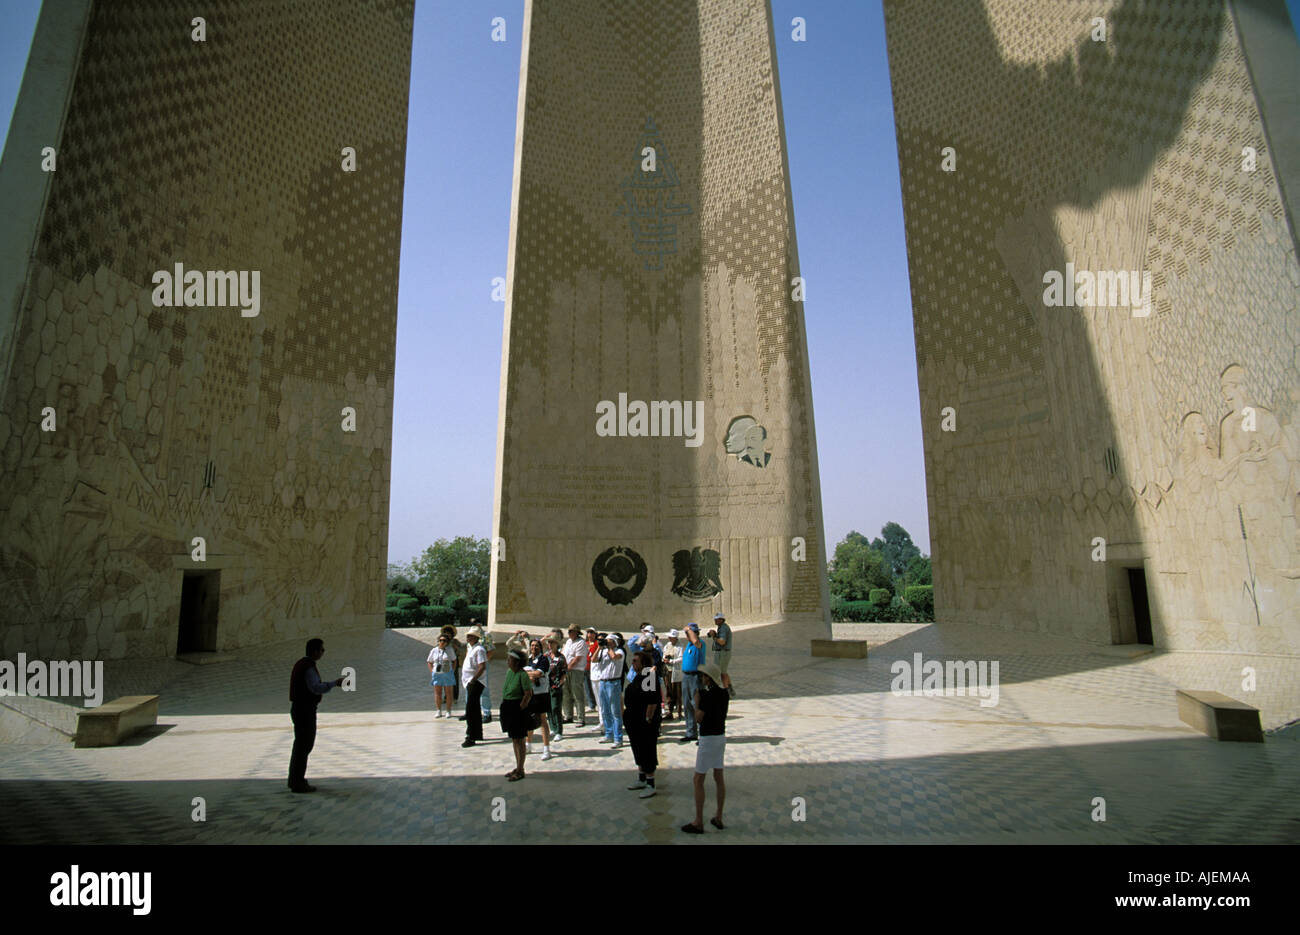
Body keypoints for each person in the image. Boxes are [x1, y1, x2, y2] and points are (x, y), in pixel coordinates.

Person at [288, 637, 345, 793]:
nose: (323, 652)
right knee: (304, 745)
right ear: (315, 651)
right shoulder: (308, 667)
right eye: (322, 650)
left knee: (301, 745)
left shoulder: (302, 664)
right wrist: (335, 683)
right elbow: (315, 687)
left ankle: (295, 780)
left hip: (300, 709)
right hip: (304, 710)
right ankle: (297, 781)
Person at [681, 663, 729, 833]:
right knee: (718, 777)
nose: (702, 678)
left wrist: (697, 703)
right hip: (720, 737)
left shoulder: (705, 696)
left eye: (704, 675)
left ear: (710, 678)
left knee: (698, 779)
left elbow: (699, 719)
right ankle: (719, 816)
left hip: (708, 739)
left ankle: (698, 821)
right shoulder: (724, 694)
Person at [623, 650, 662, 798]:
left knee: (647, 750)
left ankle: (650, 783)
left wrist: (648, 719)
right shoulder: (639, 676)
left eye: (635, 661)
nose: (632, 663)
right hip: (633, 720)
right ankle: (642, 778)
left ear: (643, 663)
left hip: (644, 722)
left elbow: (652, 701)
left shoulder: (649, 676)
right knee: (638, 748)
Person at [500, 649, 535, 781]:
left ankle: (521, 769)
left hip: (517, 708)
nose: (508, 661)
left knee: (520, 740)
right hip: (507, 705)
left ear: (516, 662)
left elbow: (528, 693)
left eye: (510, 659)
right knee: (514, 739)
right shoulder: (509, 672)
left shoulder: (523, 675)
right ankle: (518, 766)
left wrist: (521, 707)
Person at [590, 631, 625, 747]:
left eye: (610, 641)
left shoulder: (619, 651)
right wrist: (599, 648)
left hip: (613, 682)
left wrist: (609, 647)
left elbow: (615, 657)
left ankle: (618, 738)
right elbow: (593, 660)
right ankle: (608, 734)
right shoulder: (603, 651)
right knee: (605, 710)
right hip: (603, 682)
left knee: (615, 711)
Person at [524, 638, 554, 761]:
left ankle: (546, 748)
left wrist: (529, 674)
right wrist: (530, 674)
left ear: (540, 647)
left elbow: (538, 673)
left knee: (542, 720)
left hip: (541, 693)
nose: (534, 648)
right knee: (529, 719)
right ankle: (528, 744)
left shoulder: (543, 659)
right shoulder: (529, 659)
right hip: (530, 692)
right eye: (532, 645)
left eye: (536, 646)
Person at [461, 626, 488, 748]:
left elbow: (482, 666)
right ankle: (477, 733)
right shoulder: (471, 648)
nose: (468, 638)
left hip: (476, 682)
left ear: (476, 637)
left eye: (470, 636)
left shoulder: (479, 649)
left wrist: (474, 679)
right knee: (474, 709)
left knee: (471, 709)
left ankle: (471, 735)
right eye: (468, 636)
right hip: (469, 682)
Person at [679, 623, 705, 742]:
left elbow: (696, 642)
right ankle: (691, 732)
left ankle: (702, 733)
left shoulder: (700, 644)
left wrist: (689, 629)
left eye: (689, 633)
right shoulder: (689, 645)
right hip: (686, 676)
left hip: (696, 676)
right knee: (687, 705)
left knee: (697, 704)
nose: (687, 635)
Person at [561, 624, 589, 727]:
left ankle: (581, 718)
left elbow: (577, 658)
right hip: (566, 670)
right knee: (566, 693)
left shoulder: (581, 643)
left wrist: (568, 668)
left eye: (571, 631)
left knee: (577, 694)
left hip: (576, 670)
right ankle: (568, 715)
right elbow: (564, 654)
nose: (569, 633)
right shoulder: (568, 642)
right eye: (569, 631)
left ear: (577, 632)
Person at [427, 633, 457, 718]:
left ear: (447, 642)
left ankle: (448, 711)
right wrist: (432, 671)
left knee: (448, 693)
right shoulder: (434, 650)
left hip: (447, 673)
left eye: (444, 640)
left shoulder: (450, 650)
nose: (442, 642)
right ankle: (438, 710)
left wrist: (452, 671)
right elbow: (429, 661)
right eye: (440, 640)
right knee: (438, 693)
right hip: (437, 674)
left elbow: (454, 660)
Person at [545, 637, 567, 743]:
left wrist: (560, 684)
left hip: (555, 686)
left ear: (556, 645)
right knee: (549, 709)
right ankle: (552, 728)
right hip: (546, 686)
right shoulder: (546, 656)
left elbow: (564, 673)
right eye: (548, 643)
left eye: (552, 643)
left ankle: (559, 731)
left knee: (556, 708)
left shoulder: (561, 658)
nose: (550, 645)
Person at [706, 613, 734, 695]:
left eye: (717, 619)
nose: (715, 620)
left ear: (721, 620)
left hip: (723, 653)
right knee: (723, 671)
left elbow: (722, 642)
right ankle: (729, 688)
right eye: (715, 619)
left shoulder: (723, 628)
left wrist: (714, 636)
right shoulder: (722, 627)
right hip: (724, 652)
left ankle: (726, 691)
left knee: (722, 673)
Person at [661, 629, 683, 720]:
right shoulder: (667, 645)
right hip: (667, 671)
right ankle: (670, 711)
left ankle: (679, 711)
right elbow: (663, 655)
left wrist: (671, 661)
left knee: (677, 691)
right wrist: (665, 660)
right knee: (669, 691)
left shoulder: (680, 647)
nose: (669, 638)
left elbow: (681, 658)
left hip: (676, 671)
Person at [584, 627, 600, 720]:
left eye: (591, 632)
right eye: (588, 632)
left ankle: (598, 704)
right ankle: (591, 705)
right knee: (587, 687)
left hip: (594, 669)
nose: (589, 634)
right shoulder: (585, 644)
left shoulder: (597, 644)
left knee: (595, 687)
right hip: (585, 667)